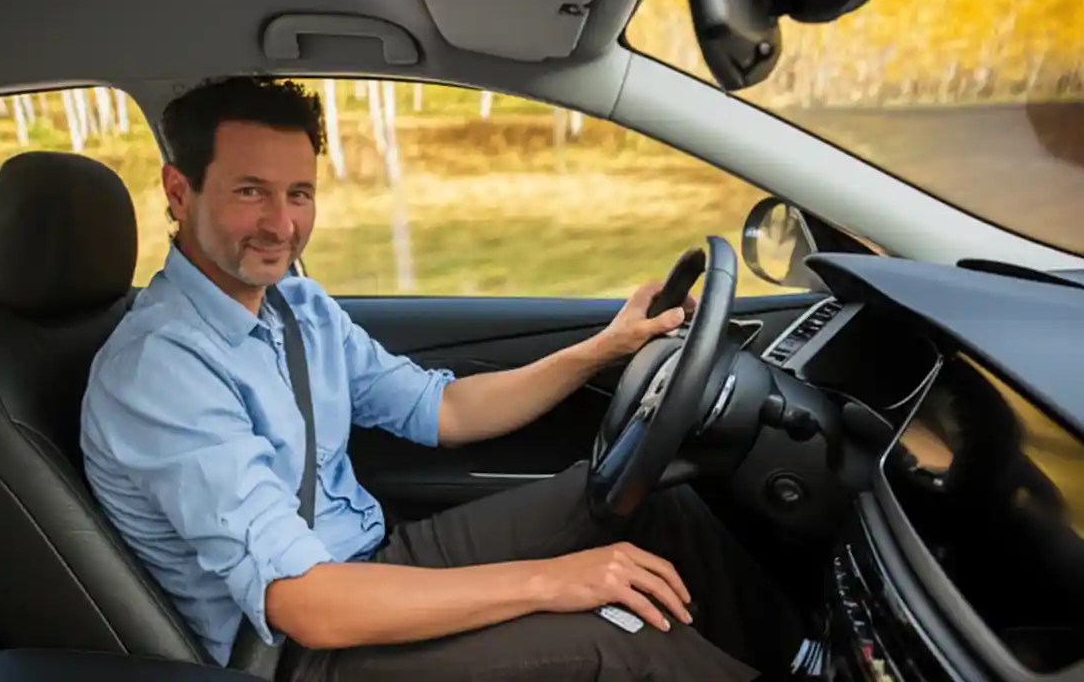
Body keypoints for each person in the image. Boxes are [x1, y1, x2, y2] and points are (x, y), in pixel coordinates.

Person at [80, 77, 805, 681]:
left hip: (372, 562)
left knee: (644, 504)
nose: (281, 223)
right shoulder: (160, 372)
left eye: (298, 193)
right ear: (180, 191)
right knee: (626, 645)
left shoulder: (297, 308)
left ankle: (803, 660)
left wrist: (605, 349)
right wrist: (553, 582)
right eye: (250, 192)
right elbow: (309, 606)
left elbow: (442, 409)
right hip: (303, 651)